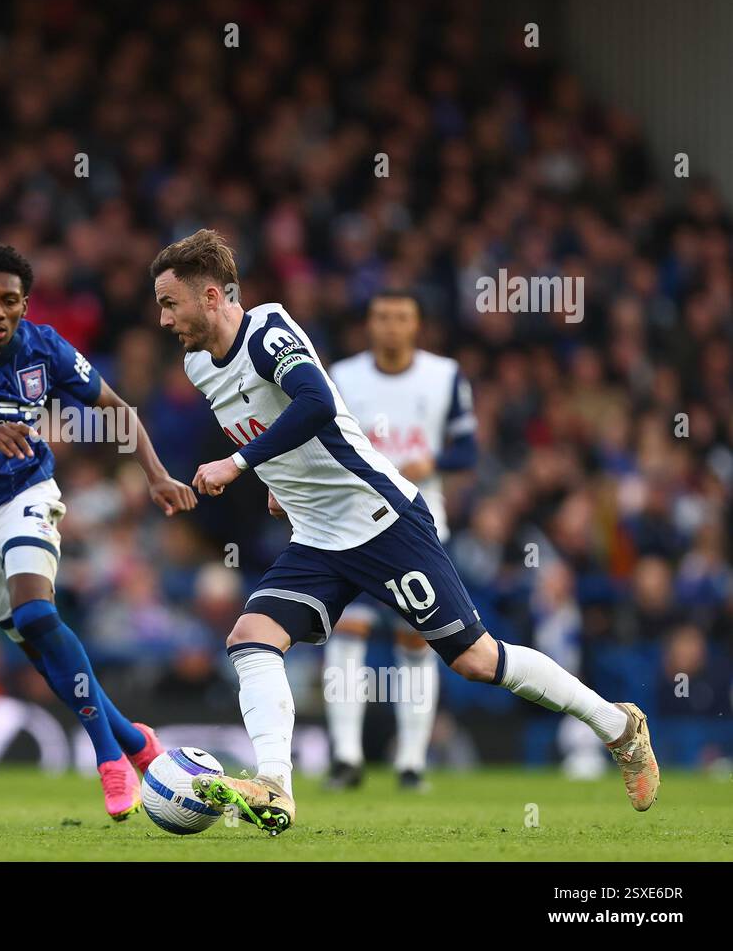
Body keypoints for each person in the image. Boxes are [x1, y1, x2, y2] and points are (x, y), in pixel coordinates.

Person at [151, 229, 659, 836]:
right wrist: (282, 483)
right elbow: (269, 420)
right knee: (251, 636)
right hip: (317, 536)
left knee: (475, 659)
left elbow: (315, 403)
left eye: (169, 303)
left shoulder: (267, 334)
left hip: (381, 520)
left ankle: (617, 726)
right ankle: (275, 786)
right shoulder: (196, 364)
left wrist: (240, 464)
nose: (163, 319)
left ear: (210, 296)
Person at [0, 243, 197, 820]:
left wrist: (155, 475)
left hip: (25, 493)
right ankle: (136, 743)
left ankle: (108, 758)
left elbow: (116, 407)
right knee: (40, 650)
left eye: (10, 300)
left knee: (36, 614)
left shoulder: (44, 347)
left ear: (25, 305)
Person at [322, 290, 478, 791]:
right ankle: (346, 758)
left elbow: (468, 449)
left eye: (401, 317)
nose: (391, 326)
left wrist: (431, 462)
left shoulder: (445, 375)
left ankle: (411, 762)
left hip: (421, 524)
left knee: (418, 640)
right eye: (382, 316)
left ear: (417, 325)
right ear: (369, 324)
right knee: (348, 635)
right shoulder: (342, 377)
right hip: (355, 523)